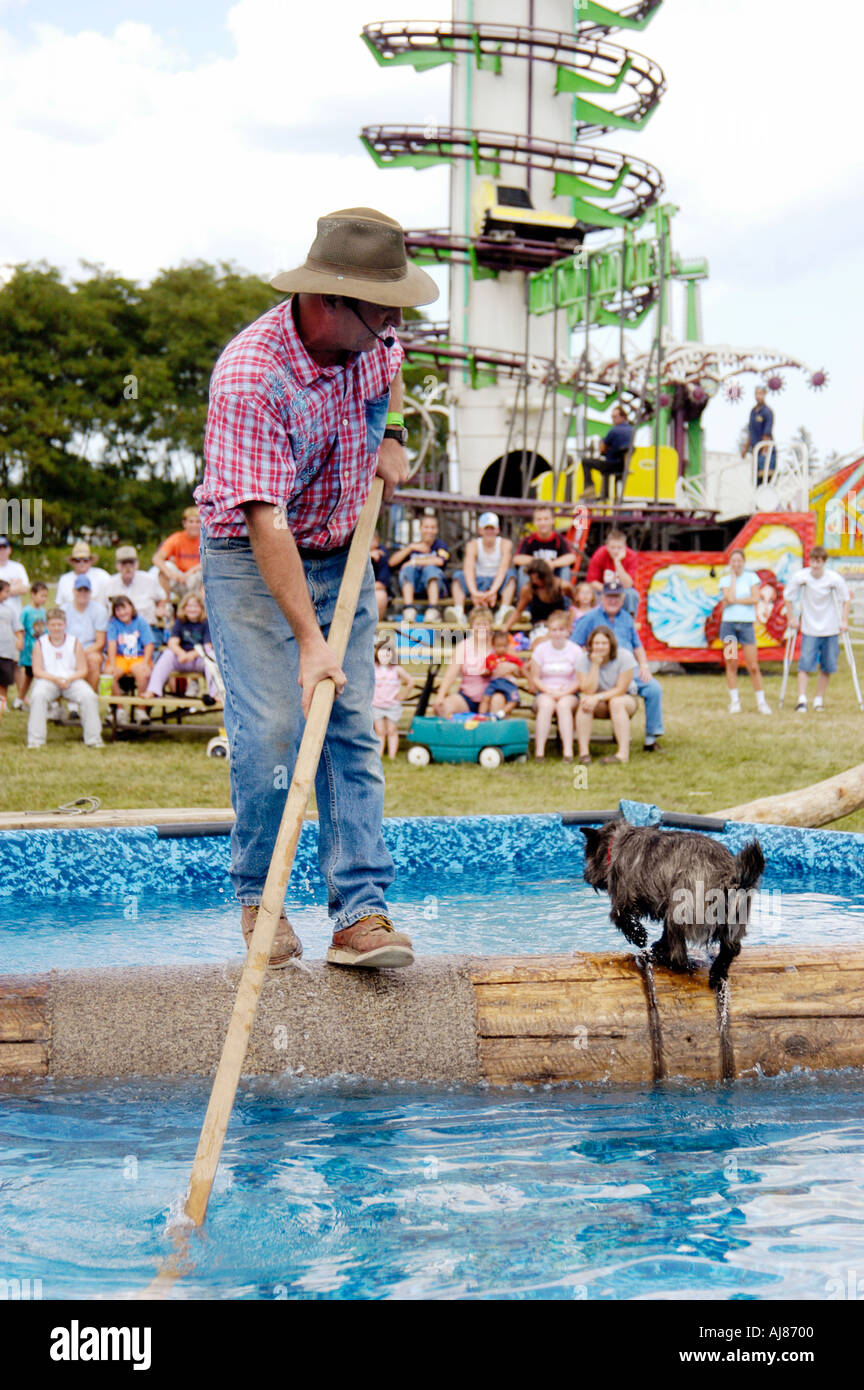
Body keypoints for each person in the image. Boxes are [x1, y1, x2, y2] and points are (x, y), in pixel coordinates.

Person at [194, 205, 438, 969]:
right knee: (273, 731)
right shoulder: (250, 379)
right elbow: (265, 524)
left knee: (352, 727)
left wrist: (391, 438)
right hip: (253, 558)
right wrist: (309, 643)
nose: (393, 324)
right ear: (328, 302)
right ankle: (259, 904)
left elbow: (390, 375)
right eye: (381, 312)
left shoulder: (374, 337)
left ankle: (359, 913)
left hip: (342, 548)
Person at [571, 580, 664, 752]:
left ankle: (651, 738)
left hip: (628, 668)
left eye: (616, 597)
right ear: (601, 598)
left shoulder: (626, 618)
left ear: (622, 600)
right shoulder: (590, 617)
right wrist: (590, 661)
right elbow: (575, 644)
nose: (613, 601)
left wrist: (643, 665)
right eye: (609, 597)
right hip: (602, 667)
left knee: (654, 688)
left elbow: (637, 645)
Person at [783, 545, 851, 713]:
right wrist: (791, 617)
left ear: (824, 562)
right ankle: (802, 700)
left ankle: (819, 700)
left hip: (831, 629)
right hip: (810, 629)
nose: (815, 565)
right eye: (813, 561)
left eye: (818, 562)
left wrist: (843, 620)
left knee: (827, 666)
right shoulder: (802, 577)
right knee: (804, 665)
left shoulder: (834, 579)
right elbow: (788, 596)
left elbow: (845, 599)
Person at [27, 608, 103, 749]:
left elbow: (83, 670)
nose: (56, 628)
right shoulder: (40, 643)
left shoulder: (74, 642)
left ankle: (94, 739)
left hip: (72, 680)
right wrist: (55, 679)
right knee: (38, 695)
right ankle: (35, 740)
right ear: (47, 626)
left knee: (89, 696)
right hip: (48, 680)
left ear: (65, 625)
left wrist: (69, 679)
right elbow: (37, 671)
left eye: (59, 624)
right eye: (53, 625)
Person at [717, 548, 771, 716]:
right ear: (730, 563)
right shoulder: (725, 580)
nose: (736, 564)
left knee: (753, 665)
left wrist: (735, 601)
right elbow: (729, 596)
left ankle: (761, 702)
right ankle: (734, 701)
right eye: (733, 561)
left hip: (746, 625)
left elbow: (754, 598)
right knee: (731, 662)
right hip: (729, 626)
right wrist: (733, 579)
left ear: (744, 562)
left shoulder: (751, 578)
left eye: (739, 561)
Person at [575, 625, 638, 764]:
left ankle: (622, 754)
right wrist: (595, 665)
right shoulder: (583, 660)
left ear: (611, 644)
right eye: (596, 643)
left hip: (624, 698)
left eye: (604, 643)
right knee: (584, 703)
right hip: (596, 700)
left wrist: (597, 697)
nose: (600, 647)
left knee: (616, 702)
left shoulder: (624, 657)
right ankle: (584, 753)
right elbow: (588, 690)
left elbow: (621, 689)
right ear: (591, 644)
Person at [145, 593, 219, 704]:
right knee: (168, 653)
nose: (192, 609)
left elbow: (207, 646)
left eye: (196, 606)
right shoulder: (180, 622)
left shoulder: (206, 623)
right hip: (182, 659)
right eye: (189, 606)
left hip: (199, 659)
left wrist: (191, 655)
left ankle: (215, 694)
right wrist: (181, 654)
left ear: (202, 608)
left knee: (211, 656)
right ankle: (153, 690)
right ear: (184, 608)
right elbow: (172, 642)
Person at [433, 608, 508, 717]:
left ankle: (492, 731)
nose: (481, 628)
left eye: (485, 624)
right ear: (472, 626)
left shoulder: (498, 644)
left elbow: (513, 665)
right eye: (478, 624)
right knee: (443, 707)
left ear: (490, 626)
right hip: (467, 696)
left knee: (497, 701)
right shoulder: (463, 646)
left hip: (493, 695)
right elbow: (451, 674)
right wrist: (441, 695)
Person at [529, 611, 583, 761]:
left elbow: (579, 680)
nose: (557, 633)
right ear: (549, 631)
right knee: (546, 705)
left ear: (568, 631)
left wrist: (564, 693)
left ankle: (568, 752)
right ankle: (540, 753)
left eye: (561, 630)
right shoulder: (541, 650)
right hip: (545, 692)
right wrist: (549, 691)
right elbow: (535, 677)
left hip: (569, 692)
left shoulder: (575, 650)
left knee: (563, 706)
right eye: (554, 630)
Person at [446, 512, 516, 624]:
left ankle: (503, 611)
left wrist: (492, 591)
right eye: (486, 528)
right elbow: (468, 568)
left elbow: (503, 568)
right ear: (480, 530)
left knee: (511, 575)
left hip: (497, 581)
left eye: (492, 528)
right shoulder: (473, 545)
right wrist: (475, 592)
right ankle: (459, 612)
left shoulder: (505, 544)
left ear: (497, 529)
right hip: (478, 580)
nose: (489, 532)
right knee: (458, 576)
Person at [389, 514, 450, 622]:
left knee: (430, 569)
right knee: (407, 570)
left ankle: (433, 609)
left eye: (432, 527)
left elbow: (440, 561)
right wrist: (410, 547)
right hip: (414, 588)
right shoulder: (413, 546)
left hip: (435, 587)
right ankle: (409, 610)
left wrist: (414, 561)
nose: (429, 531)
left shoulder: (440, 545)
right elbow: (392, 562)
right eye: (426, 527)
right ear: (420, 528)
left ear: (437, 530)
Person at [105, 595, 154, 725]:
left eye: (125, 608)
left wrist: (145, 663)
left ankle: (141, 709)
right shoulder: (113, 624)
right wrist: (112, 664)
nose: (122, 613)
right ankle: (120, 709)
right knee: (109, 674)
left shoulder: (140, 622)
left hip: (138, 656)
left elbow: (149, 644)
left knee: (143, 673)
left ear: (131, 608)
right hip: (120, 657)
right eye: (118, 610)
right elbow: (112, 644)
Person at [503, 558, 576, 645]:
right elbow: (518, 611)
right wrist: (504, 630)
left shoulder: (563, 586)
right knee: (542, 644)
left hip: (560, 626)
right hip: (540, 627)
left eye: (538, 578)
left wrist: (569, 618)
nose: (535, 581)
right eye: (532, 579)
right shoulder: (528, 590)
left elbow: (576, 603)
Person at [62, 574, 108, 692]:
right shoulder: (63, 610)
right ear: (73, 591)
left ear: (90, 592)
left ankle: (90, 696)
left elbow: (100, 642)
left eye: (86, 590)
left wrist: (82, 653)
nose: (82, 593)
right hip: (67, 648)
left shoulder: (100, 611)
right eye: (79, 590)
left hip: (90, 649)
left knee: (94, 660)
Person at [513, 506, 574, 592]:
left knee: (565, 569)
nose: (543, 523)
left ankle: (565, 603)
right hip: (534, 578)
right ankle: (525, 604)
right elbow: (517, 559)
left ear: (552, 520)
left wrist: (553, 564)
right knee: (522, 569)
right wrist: (539, 562)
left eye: (546, 519)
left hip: (554, 576)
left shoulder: (559, 539)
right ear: (534, 522)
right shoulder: (528, 540)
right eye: (539, 519)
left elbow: (571, 557)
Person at [372, 635, 414, 759]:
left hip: (392, 705)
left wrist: (403, 695)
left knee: (392, 730)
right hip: (377, 705)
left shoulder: (396, 670)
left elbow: (410, 682)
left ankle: (392, 756)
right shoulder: (374, 668)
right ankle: (378, 756)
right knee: (379, 731)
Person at [152, 507, 203, 599]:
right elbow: (156, 558)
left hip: (196, 578)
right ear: (184, 523)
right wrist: (171, 574)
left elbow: (210, 562)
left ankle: (202, 607)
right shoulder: (177, 538)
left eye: (198, 522)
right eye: (191, 522)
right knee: (165, 568)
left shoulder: (205, 539)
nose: (194, 525)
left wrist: (190, 572)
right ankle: (166, 604)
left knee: (206, 571)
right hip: (179, 578)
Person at [104, 546, 163, 626]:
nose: (128, 567)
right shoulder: (108, 584)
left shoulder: (149, 580)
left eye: (131, 563)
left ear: (137, 564)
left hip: (148, 627)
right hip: (120, 629)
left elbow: (162, 598)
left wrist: (160, 608)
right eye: (124, 563)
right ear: (117, 566)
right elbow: (103, 608)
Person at [584, 406, 634, 500]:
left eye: (615, 417)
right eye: (612, 417)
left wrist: (604, 445)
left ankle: (589, 488)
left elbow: (602, 449)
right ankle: (606, 494)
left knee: (586, 462)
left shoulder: (614, 430)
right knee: (606, 468)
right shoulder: (631, 430)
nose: (613, 419)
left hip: (612, 465)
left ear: (623, 417)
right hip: (625, 465)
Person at [586, 528, 639, 615]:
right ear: (607, 547)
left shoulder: (631, 556)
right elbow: (592, 582)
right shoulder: (600, 554)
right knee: (592, 595)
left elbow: (628, 584)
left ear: (625, 547)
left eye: (619, 548)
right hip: (602, 590)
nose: (616, 551)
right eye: (612, 548)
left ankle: (629, 622)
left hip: (622, 591)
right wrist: (610, 591)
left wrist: (617, 562)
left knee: (632, 594)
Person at [15, 581, 49, 706]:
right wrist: (20, 641)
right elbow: (19, 627)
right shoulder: (26, 611)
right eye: (41, 595)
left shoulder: (44, 612)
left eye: (45, 596)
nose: (44, 599)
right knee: (30, 674)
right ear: (33, 595)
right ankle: (20, 699)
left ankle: (32, 699)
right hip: (29, 648)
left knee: (38, 674)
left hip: (41, 648)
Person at [479, 628, 525, 717]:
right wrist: (487, 671)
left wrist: (517, 671)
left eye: (504, 646)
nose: (502, 649)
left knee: (514, 700)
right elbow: (483, 670)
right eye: (499, 646)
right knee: (485, 698)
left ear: (508, 646)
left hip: (508, 683)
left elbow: (521, 667)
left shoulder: (510, 658)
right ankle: (481, 715)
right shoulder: (490, 658)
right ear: (493, 646)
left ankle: (502, 713)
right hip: (495, 682)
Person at [55, 541, 111, 607]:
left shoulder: (102, 575)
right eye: (78, 560)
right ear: (72, 561)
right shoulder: (64, 579)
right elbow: (60, 604)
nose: (82, 563)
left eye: (85, 559)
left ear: (91, 560)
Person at [0, 578, 23, 720]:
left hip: (6, 651)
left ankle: (2, 702)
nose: (8, 594)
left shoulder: (9, 610)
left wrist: (19, 639)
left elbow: (17, 627)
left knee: (4, 680)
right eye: (6, 592)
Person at [743, 386, 775, 482]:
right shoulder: (753, 412)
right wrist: (745, 449)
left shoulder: (767, 412)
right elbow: (750, 431)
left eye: (760, 393)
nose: (758, 396)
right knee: (756, 481)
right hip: (755, 451)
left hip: (765, 451)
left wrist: (764, 452)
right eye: (756, 393)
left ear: (764, 394)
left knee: (765, 479)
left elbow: (767, 433)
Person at [0, 535, 29, 620]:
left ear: (9, 549)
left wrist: (2, 591)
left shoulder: (18, 567)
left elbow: (24, 589)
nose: (2, 551)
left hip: (15, 616)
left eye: (4, 547)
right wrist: (14, 587)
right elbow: (19, 588)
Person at [370, 532, 394, 620]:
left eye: (371, 539)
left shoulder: (381, 554)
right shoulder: (350, 552)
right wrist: (367, 556)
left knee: (380, 595)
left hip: (371, 591)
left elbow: (382, 584)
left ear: (376, 541)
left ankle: (374, 630)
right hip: (354, 591)